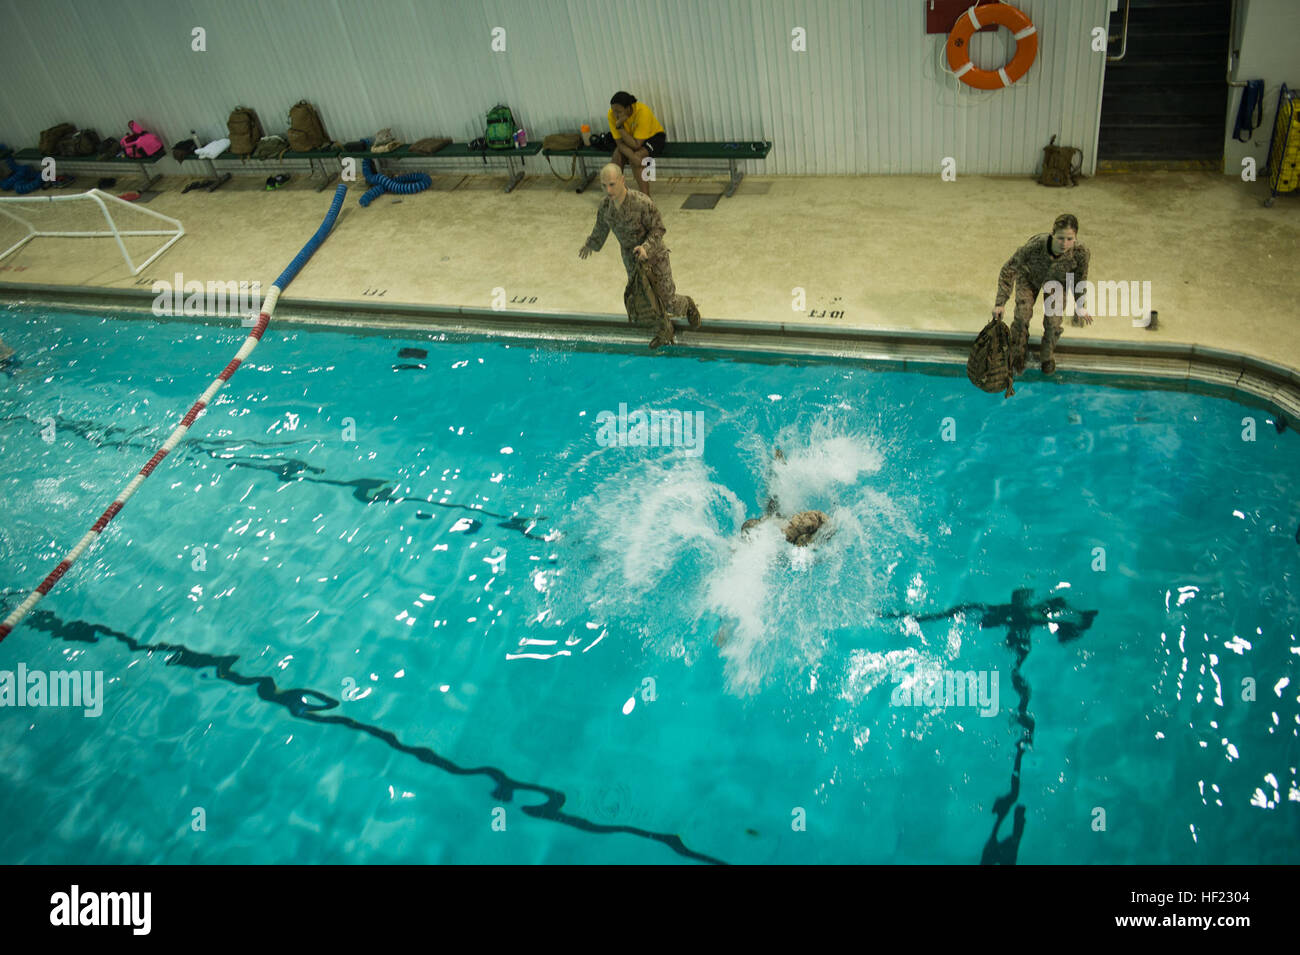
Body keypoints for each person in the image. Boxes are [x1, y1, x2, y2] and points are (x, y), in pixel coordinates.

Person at [579, 163, 701, 349]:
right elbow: (601, 229)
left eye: (612, 184)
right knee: (647, 301)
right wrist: (590, 244)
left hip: (654, 256)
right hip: (632, 259)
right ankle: (665, 331)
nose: (608, 190)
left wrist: (645, 247)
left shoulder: (641, 202)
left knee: (668, 302)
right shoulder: (605, 207)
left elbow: (659, 229)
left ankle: (688, 305)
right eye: (604, 186)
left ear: (622, 180)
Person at [992, 214, 1092, 376]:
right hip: (1029, 278)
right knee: (1022, 317)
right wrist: (1000, 302)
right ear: (1052, 234)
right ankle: (1017, 354)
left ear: (1075, 238)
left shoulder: (1080, 252)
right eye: (1060, 238)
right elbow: (1009, 269)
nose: (1064, 244)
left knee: (1053, 322)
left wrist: (1080, 305)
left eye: (1069, 239)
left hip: (1057, 283)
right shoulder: (1035, 246)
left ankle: (1047, 356)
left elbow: (1080, 279)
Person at [740, 449, 832, 547]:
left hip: (804, 526)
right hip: (796, 525)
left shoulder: (782, 530)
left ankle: (779, 466)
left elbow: (822, 523)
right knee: (774, 507)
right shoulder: (771, 521)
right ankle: (779, 466)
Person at [607, 91, 666, 196]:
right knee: (617, 157)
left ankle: (646, 199)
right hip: (629, 139)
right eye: (613, 111)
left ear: (629, 108)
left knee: (637, 157)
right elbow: (620, 144)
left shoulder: (642, 111)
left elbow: (637, 145)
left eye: (619, 112)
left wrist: (633, 157)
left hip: (652, 138)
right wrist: (619, 126)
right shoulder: (611, 115)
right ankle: (617, 194)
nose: (615, 115)